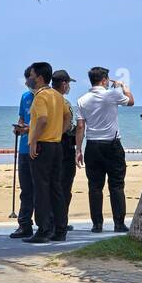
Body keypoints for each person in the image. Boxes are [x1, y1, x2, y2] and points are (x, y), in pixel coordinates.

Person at [76, 66, 134, 233]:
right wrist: (123, 87)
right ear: (104, 80)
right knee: (116, 184)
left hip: (92, 145)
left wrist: (78, 149)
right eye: (107, 80)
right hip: (112, 144)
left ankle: (97, 224)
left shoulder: (82, 99)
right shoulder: (113, 94)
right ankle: (118, 223)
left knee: (94, 186)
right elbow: (131, 101)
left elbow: (80, 127)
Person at [26, 62, 66, 243]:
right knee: (56, 188)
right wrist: (59, 131)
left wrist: (33, 141)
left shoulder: (41, 97)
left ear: (40, 78)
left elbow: (42, 120)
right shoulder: (57, 95)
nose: (29, 79)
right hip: (57, 146)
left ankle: (43, 230)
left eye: (31, 75)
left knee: (41, 189)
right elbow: (68, 116)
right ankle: (60, 229)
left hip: (43, 145)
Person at [8, 63, 41, 239]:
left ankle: (44, 224)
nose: (27, 82)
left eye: (29, 78)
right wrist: (19, 128)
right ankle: (24, 224)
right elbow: (22, 117)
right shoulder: (25, 97)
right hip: (23, 148)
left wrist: (30, 130)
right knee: (26, 189)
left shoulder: (46, 97)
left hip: (39, 147)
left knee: (41, 188)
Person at [53, 69, 77, 235]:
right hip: (64, 146)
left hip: (50, 145)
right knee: (64, 185)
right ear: (63, 84)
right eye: (68, 83)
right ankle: (61, 220)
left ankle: (53, 220)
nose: (69, 87)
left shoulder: (44, 98)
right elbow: (68, 126)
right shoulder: (64, 102)